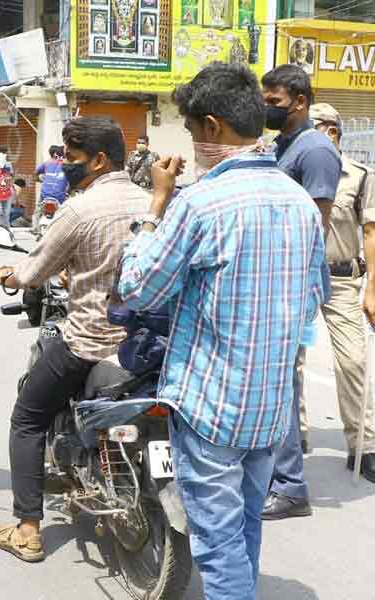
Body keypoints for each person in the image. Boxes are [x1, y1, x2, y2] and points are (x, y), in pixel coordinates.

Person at [118, 61, 329, 600]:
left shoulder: (200, 203)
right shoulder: (300, 202)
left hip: (212, 406)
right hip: (268, 406)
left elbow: (139, 287)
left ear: (211, 127)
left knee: (215, 542)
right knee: (244, 528)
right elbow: (315, 296)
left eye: (191, 130)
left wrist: (154, 207)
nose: (191, 141)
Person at [0, 117, 149, 562]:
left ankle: (27, 530)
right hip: (149, 347)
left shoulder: (81, 210)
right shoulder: (155, 203)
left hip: (90, 342)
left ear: (98, 160)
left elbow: (32, 271)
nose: (66, 167)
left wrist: (8, 275)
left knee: (27, 417)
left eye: (72, 159)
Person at [260, 64, 342, 521]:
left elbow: (316, 225)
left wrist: (291, 287)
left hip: (291, 286)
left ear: (300, 102)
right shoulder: (283, 145)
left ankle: (290, 486)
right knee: (273, 383)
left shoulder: (315, 150)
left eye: (274, 103)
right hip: (274, 282)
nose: (267, 110)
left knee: (281, 384)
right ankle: (274, 473)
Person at [310, 102, 375, 483]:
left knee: (353, 361)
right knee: (291, 364)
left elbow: (370, 233)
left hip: (342, 279)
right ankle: (294, 435)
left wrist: (372, 289)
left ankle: (364, 445)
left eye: (314, 128)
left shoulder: (359, 175)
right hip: (299, 278)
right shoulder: (294, 169)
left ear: (332, 132)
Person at [33, 145, 68, 233]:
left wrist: (41, 179)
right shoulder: (67, 165)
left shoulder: (47, 163)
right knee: (65, 211)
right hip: (60, 196)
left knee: (38, 211)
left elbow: (35, 174)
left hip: (45, 195)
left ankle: (35, 228)